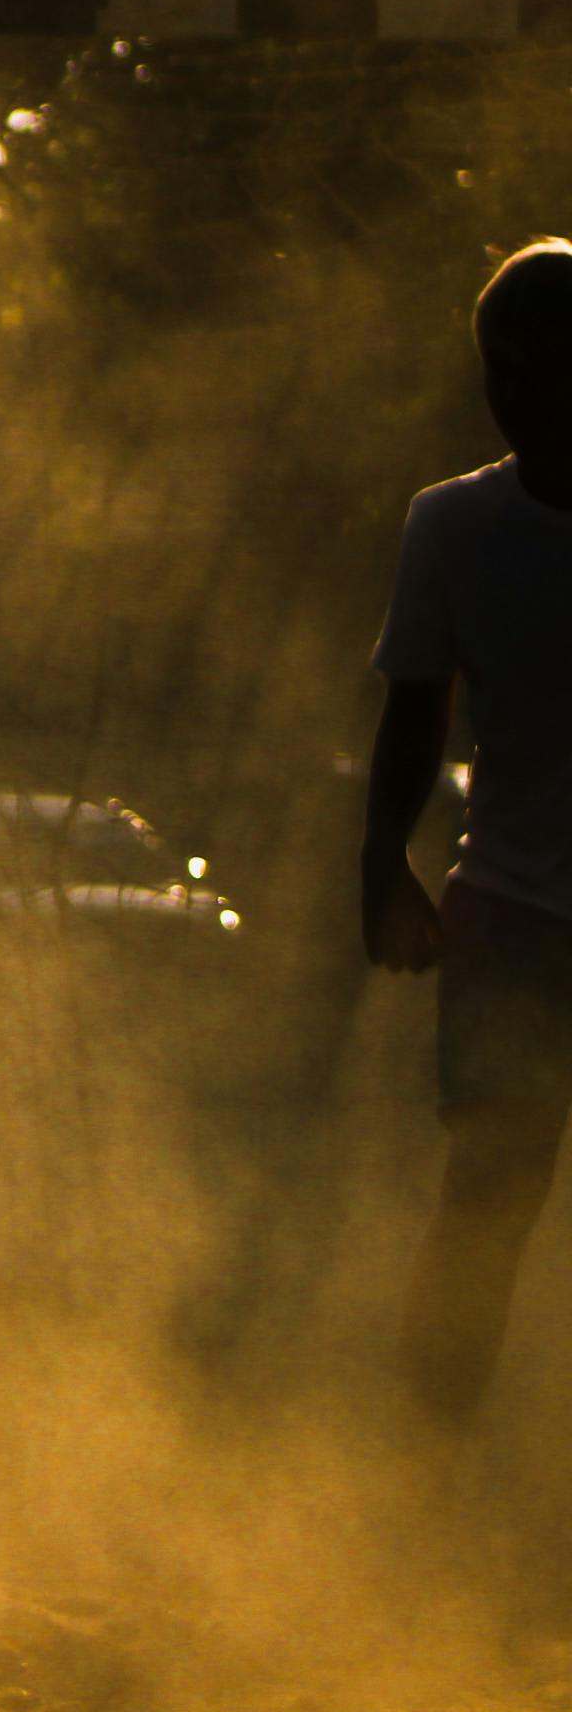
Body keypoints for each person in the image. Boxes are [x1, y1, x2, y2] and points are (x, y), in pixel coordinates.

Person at [363, 240, 572, 1424]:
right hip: (517, 915)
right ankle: (426, 1474)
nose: (520, 390)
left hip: (516, 913)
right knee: (491, 1190)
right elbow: (413, 708)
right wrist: (379, 861)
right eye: (501, 367)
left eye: (547, 366)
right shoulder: (452, 525)